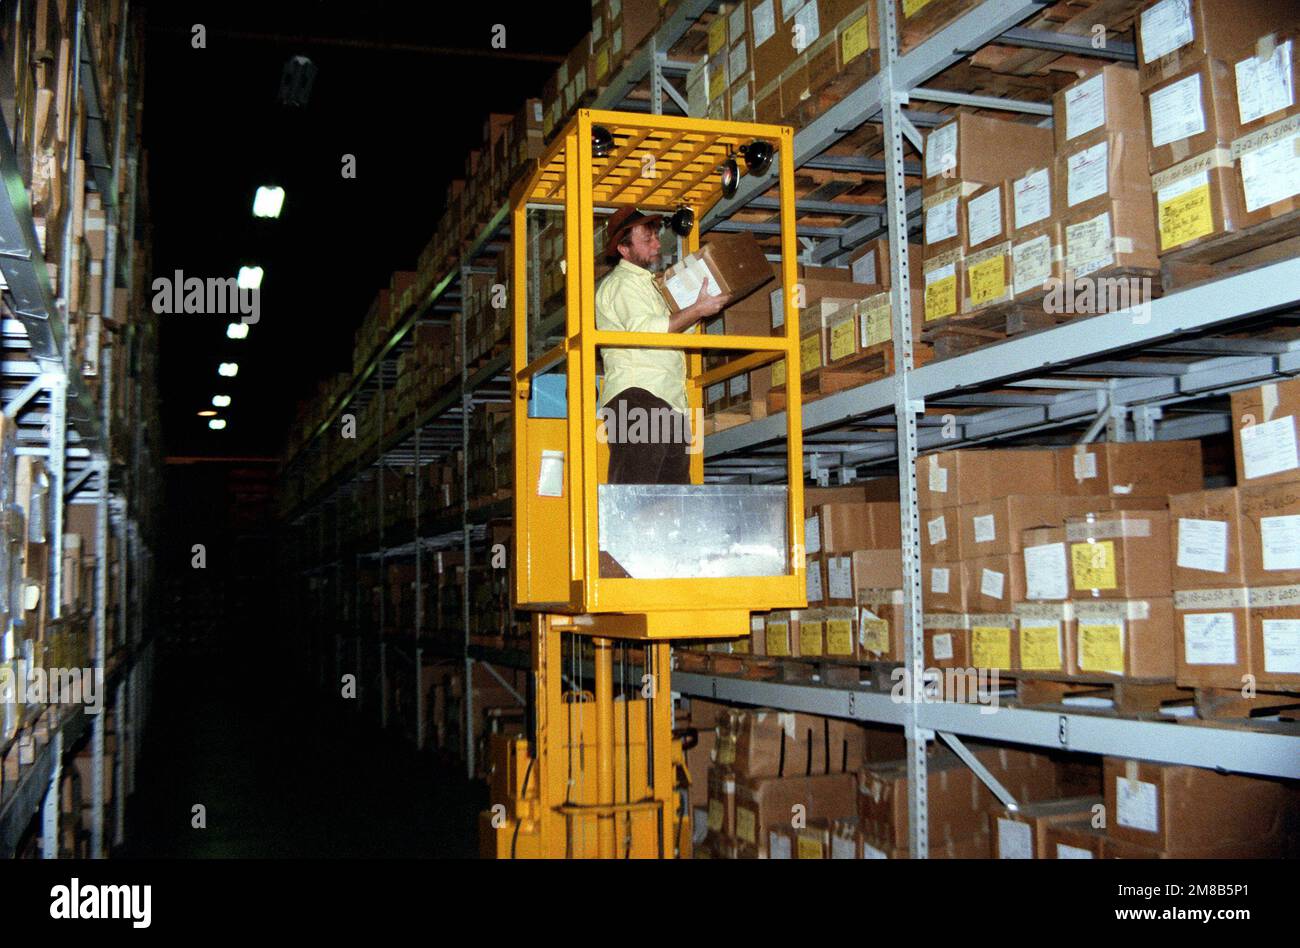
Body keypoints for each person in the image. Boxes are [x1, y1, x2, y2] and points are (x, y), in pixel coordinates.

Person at [595, 207, 731, 485]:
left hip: (666, 400)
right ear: (623, 248)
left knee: (672, 494)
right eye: (647, 240)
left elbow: (672, 327)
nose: (657, 244)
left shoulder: (650, 287)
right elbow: (647, 331)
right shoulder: (621, 284)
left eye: (656, 237)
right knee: (636, 491)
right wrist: (696, 310)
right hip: (638, 396)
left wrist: (698, 309)